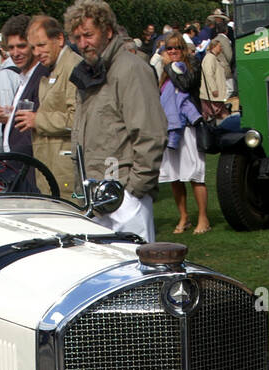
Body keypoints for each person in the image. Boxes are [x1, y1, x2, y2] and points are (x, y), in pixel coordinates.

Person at [67, 0, 167, 242]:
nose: (83, 43)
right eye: (77, 37)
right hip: (97, 198)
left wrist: (133, 191)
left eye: (88, 35)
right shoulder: (89, 72)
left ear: (108, 31)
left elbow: (151, 133)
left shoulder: (131, 69)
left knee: (136, 263)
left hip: (125, 197)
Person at [158, 37, 210, 234]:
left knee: (195, 174)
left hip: (189, 126)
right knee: (175, 176)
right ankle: (184, 216)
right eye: (169, 48)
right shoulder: (165, 72)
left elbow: (186, 84)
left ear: (184, 49)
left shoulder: (192, 65)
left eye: (177, 47)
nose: (173, 51)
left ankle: (203, 218)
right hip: (171, 127)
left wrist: (169, 67)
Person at [25, 15, 79, 197]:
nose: (36, 52)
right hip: (52, 171)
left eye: (41, 45)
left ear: (60, 39)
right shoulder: (51, 68)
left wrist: (37, 120)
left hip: (67, 174)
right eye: (33, 47)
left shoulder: (73, 68)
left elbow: (78, 119)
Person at [0, 14, 46, 159]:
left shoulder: (42, 77)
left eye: (21, 46)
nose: (15, 53)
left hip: (29, 162)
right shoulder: (24, 78)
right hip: (16, 161)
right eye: (11, 48)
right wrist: (8, 116)